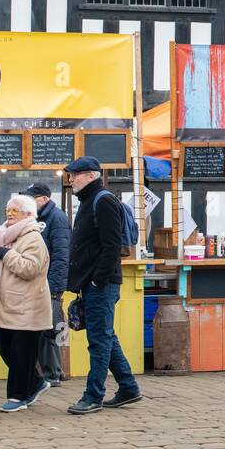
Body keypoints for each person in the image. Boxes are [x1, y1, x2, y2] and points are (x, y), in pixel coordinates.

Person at [64, 157, 141, 415]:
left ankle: (93, 395)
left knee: (98, 340)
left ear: (90, 176)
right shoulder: (90, 200)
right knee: (105, 336)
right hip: (94, 282)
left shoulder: (103, 200)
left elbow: (112, 246)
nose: (71, 179)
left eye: (75, 175)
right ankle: (128, 388)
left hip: (101, 284)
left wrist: (98, 279)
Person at [0, 194, 52, 412]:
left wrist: (8, 255)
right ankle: (36, 382)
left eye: (15, 210)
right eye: (8, 210)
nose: (10, 213)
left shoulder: (33, 238)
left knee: (21, 354)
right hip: (6, 307)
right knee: (6, 350)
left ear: (28, 214)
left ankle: (17, 397)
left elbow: (30, 268)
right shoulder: (3, 235)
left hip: (27, 308)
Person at [25, 182, 70, 387]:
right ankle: (50, 373)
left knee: (50, 329)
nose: (29, 202)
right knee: (44, 328)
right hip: (40, 283)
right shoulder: (37, 218)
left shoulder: (57, 218)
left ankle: (54, 374)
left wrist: (54, 288)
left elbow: (61, 256)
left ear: (43, 199)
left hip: (50, 286)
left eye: (32, 198)